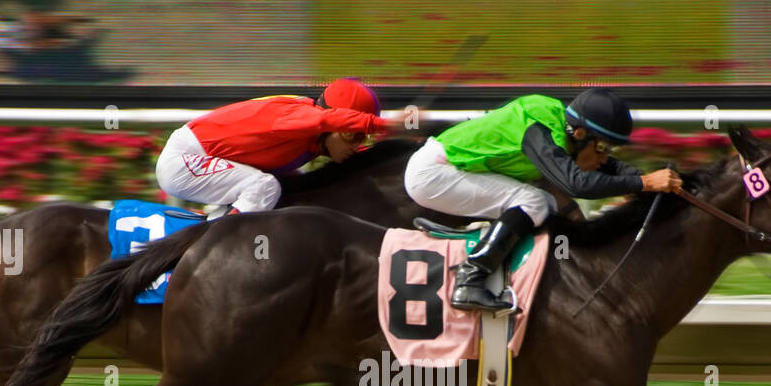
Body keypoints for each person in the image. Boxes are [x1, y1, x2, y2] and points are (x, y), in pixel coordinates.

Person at [404, 88, 682, 312]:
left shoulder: (561, 128)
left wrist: (643, 180)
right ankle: (470, 278)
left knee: (545, 204)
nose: (604, 157)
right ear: (581, 134)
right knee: (534, 201)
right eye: (602, 148)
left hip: (445, 169)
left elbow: (605, 166)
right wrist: (643, 182)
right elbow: (575, 184)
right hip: (433, 173)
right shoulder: (538, 131)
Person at [156, 78, 387, 215]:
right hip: (184, 161)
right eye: (352, 135)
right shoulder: (299, 119)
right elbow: (322, 120)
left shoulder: (310, 135)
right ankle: (212, 243)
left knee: (296, 187)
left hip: (204, 158)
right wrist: (385, 124)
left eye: (362, 138)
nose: (357, 146)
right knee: (265, 186)